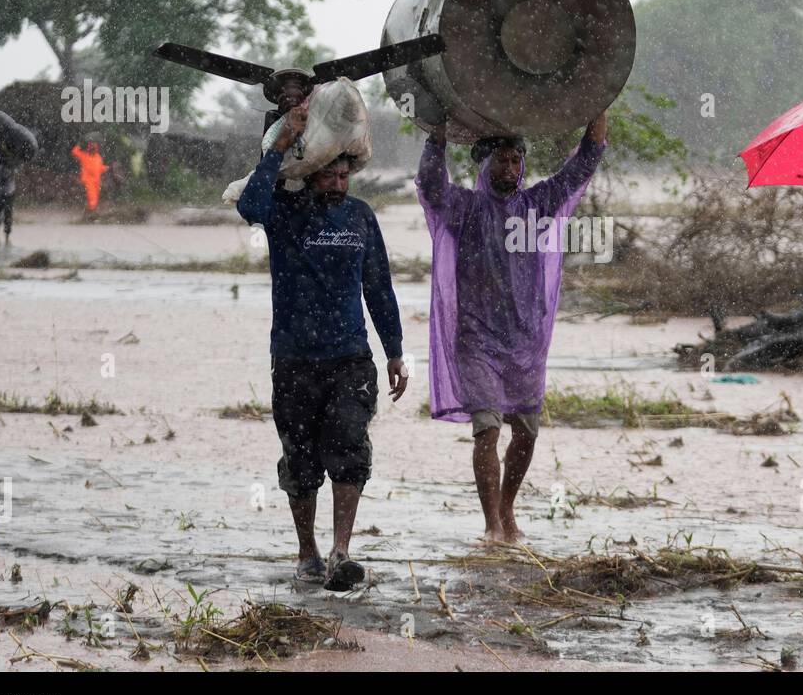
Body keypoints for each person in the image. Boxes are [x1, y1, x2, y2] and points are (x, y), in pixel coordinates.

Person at [236, 104, 408, 591]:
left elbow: (378, 286)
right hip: (293, 359)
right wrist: (282, 142)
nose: (337, 183)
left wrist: (394, 350)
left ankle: (341, 552)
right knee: (301, 461)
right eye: (328, 175)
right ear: (310, 175)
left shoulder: (360, 217)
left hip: (351, 358)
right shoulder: (284, 213)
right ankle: (307, 553)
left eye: (343, 175)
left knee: (350, 449)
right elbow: (249, 206)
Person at [416, 111, 608, 543]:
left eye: (515, 160)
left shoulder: (536, 205)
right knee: (487, 428)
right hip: (476, 338)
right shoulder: (464, 208)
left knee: (526, 431)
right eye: (500, 161)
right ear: (483, 166)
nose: (509, 168)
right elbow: (430, 186)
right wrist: (437, 137)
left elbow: (585, 162)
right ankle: (492, 525)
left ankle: (508, 506)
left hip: (525, 340)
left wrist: (597, 102)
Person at [71, 140, 108, 215]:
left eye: (94, 148)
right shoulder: (84, 156)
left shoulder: (98, 157)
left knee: (95, 200)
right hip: (88, 181)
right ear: (89, 148)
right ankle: (90, 214)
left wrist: (107, 168)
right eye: (92, 148)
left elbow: (99, 168)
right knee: (92, 200)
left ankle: (89, 214)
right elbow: (74, 152)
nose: (93, 149)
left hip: (96, 182)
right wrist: (79, 144)